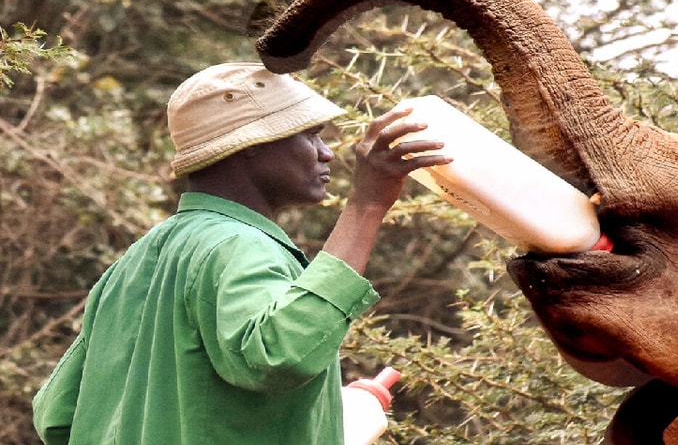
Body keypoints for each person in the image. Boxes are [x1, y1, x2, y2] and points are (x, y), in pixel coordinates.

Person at [31, 62, 450, 444]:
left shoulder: (133, 263)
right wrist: (367, 203)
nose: (325, 152)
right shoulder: (238, 245)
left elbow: (56, 416)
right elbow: (280, 355)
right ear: (252, 142)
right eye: (309, 134)